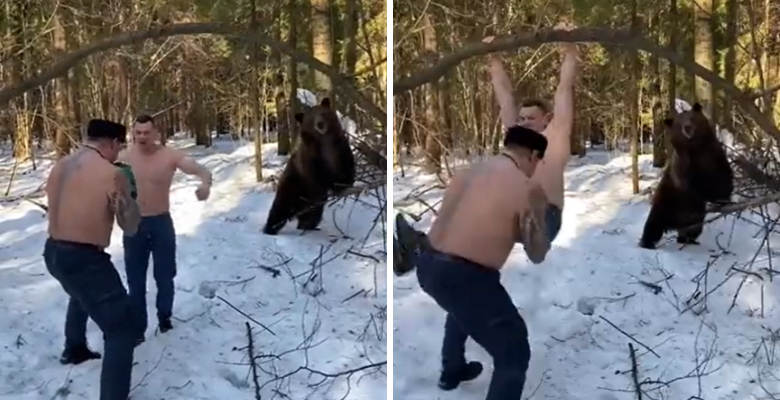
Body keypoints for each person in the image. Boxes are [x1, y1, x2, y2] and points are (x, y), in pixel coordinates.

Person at [400, 125, 552, 400]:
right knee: (514, 351)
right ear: (532, 155)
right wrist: (540, 211)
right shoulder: (525, 187)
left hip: (428, 264)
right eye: (539, 161)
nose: (537, 168)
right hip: (465, 276)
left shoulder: (470, 170)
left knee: (462, 307)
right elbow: (536, 253)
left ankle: (452, 370)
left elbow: (481, 221)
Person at [43, 118, 142, 400]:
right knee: (122, 328)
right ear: (112, 143)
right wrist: (129, 193)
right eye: (118, 148)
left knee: (81, 294)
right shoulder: (112, 173)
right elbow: (130, 225)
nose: (118, 154)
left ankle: (74, 348)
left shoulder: (61, 164)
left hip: (52, 252)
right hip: (84, 258)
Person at [118, 114, 213, 341]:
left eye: (146, 133)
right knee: (135, 279)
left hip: (161, 222)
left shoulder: (169, 156)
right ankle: (138, 327)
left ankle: (165, 318)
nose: (142, 137)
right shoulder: (123, 157)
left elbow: (201, 170)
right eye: (138, 132)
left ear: (156, 134)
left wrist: (205, 185)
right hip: (134, 224)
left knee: (165, 276)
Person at [484, 28, 579, 242]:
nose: (524, 123)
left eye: (531, 118)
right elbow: (505, 98)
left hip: (546, 217)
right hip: (517, 213)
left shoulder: (555, 135)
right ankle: (420, 250)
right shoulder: (517, 137)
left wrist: (570, 50)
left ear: (546, 119)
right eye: (522, 119)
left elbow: (564, 88)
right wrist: (494, 57)